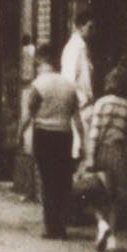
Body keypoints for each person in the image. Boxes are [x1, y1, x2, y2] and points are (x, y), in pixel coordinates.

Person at [16, 42, 82, 239]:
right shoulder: (69, 86)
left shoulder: (38, 85)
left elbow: (29, 113)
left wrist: (20, 133)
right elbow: (76, 118)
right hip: (65, 135)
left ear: (40, 61)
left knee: (48, 180)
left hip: (44, 135)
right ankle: (61, 225)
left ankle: (50, 226)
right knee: (63, 180)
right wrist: (84, 140)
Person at [84, 64, 127, 252]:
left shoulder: (101, 103)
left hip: (101, 151)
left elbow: (94, 132)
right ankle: (112, 237)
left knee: (95, 192)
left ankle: (101, 224)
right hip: (118, 154)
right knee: (116, 197)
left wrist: (90, 158)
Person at [60, 9, 95, 157]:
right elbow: (69, 81)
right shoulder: (74, 48)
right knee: (80, 149)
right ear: (80, 27)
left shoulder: (82, 47)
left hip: (85, 107)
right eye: (90, 27)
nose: (93, 31)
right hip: (79, 108)